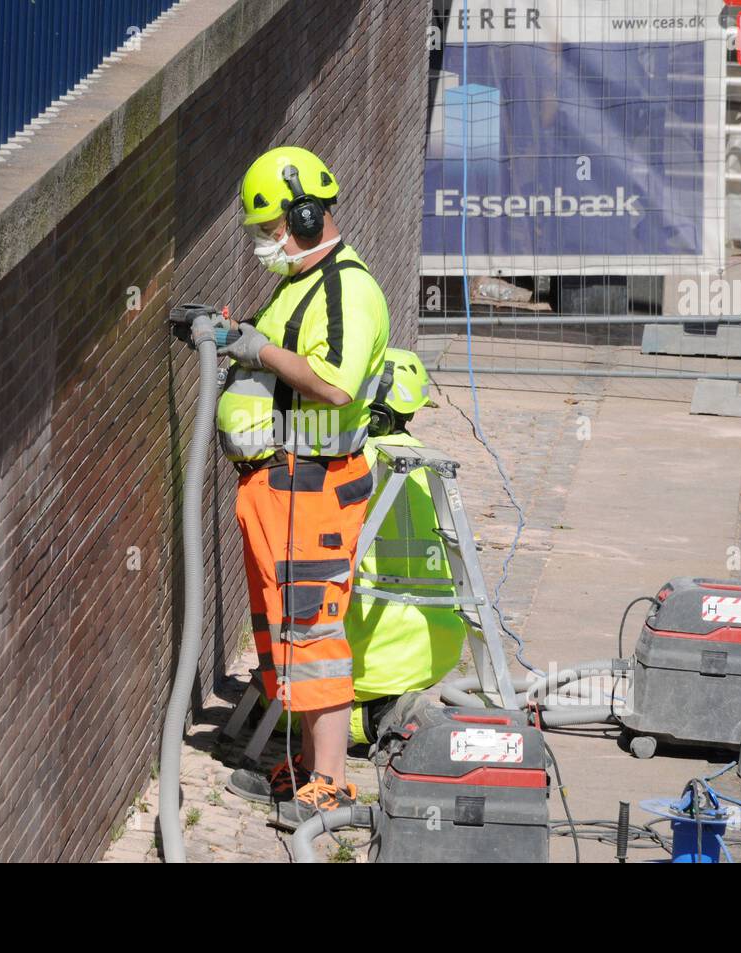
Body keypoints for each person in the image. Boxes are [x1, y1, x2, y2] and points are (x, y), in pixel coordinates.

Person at [217, 146, 388, 828]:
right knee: (285, 631)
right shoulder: (301, 282)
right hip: (281, 484)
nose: (265, 244)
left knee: (314, 630)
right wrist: (241, 335)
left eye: (270, 229)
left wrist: (254, 348)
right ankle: (306, 767)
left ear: (309, 217)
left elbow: (335, 382)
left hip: (314, 486)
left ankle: (335, 784)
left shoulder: (348, 290)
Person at [344, 348, 468, 747]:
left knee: (291, 711)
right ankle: (390, 710)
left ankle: (380, 717)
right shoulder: (430, 467)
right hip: (437, 648)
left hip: (373, 654)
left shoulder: (356, 462)